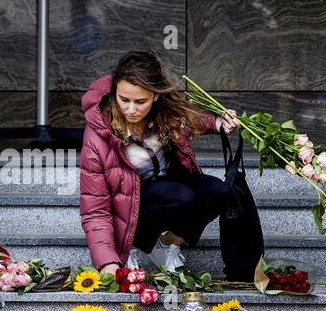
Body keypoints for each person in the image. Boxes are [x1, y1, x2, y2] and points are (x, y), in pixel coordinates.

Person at [79, 50, 263, 282]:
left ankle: (165, 244)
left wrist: (218, 122)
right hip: (128, 211)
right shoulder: (98, 134)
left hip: (165, 191)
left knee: (218, 191)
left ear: (155, 96)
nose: (131, 109)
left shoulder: (166, 114)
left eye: (140, 101)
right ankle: (131, 247)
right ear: (115, 91)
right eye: (124, 99)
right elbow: (94, 207)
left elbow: (190, 118)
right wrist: (108, 260)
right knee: (178, 194)